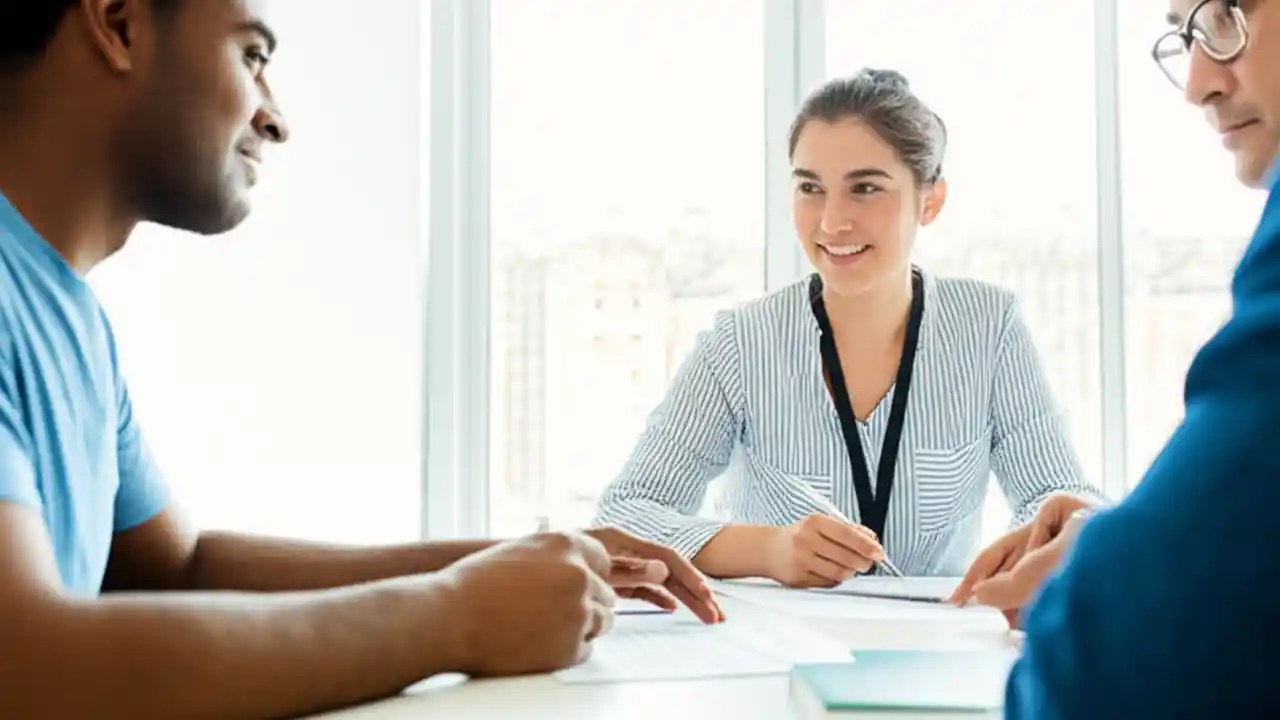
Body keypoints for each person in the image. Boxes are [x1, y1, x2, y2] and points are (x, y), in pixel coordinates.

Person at [0, 1, 722, 717]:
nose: (275, 118)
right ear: (119, 25)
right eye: (251, 56)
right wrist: (458, 615)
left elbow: (175, 569)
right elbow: (26, 662)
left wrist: (531, 560)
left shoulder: (70, 318)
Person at [594, 69, 1104, 588]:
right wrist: (769, 549)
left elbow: (1057, 496)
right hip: (779, 649)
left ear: (930, 200)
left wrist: (1055, 536)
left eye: (865, 188)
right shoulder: (739, 343)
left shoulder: (988, 327)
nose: (832, 221)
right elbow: (623, 516)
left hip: (936, 645)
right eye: (810, 188)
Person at [967, 0, 1280, 716]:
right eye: (1187, 36)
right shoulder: (742, 337)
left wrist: (1122, 561)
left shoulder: (986, 322)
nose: (1198, 80)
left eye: (1230, 12)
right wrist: (1123, 539)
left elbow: (1120, 655)